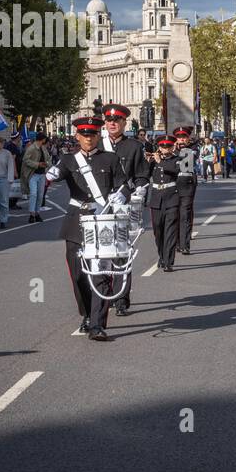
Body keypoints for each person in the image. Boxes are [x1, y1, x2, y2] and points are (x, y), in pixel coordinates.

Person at [44, 116, 128, 341]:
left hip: (102, 221)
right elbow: (58, 173)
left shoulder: (110, 159)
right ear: (77, 136)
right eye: (84, 135)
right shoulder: (68, 160)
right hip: (76, 222)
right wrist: (51, 175)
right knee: (79, 275)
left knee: (99, 273)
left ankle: (98, 324)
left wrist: (121, 196)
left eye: (92, 134)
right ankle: (87, 313)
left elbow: (123, 185)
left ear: (97, 136)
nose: (88, 139)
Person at [100, 104, 150, 316]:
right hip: (100, 206)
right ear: (105, 122)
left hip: (122, 204)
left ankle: (121, 297)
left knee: (121, 252)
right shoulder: (97, 145)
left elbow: (141, 175)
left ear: (124, 123)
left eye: (117, 120)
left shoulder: (134, 147)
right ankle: (104, 293)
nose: (113, 123)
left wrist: (137, 191)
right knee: (100, 254)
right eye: (109, 120)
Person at [146, 136, 181, 272]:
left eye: (168, 146)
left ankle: (168, 261)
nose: (165, 149)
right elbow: (144, 173)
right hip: (156, 199)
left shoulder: (177, 159)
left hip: (171, 197)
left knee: (170, 231)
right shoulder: (154, 160)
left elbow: (175, 171)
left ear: (172, 147)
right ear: (159, 147)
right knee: (158, 230)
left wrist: (160, 162)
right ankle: (161, 255)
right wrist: (147, 161)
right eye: (163, 146)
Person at [173, 127, 198, 254]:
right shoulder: (170, 149)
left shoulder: (193, 148)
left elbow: (186, 163)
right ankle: (177, 242)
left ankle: (185, 244)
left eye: (184, 137)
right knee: (175, 215)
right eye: (179, 137)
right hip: (173, 185)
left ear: (188, 138)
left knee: (185, 215)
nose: (181, 139)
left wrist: (174, 152)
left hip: (187, 185)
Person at [21, 132, 53, 223]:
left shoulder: (43, 148)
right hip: (33, 174)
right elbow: (25, 160)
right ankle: (32, 214)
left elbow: (48, 159)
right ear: (42, 139)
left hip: (42, 174)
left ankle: (37, 213)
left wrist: (47, 164)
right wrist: (37, 164)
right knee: (34, 194)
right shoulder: (31, 148)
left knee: (40, 195)